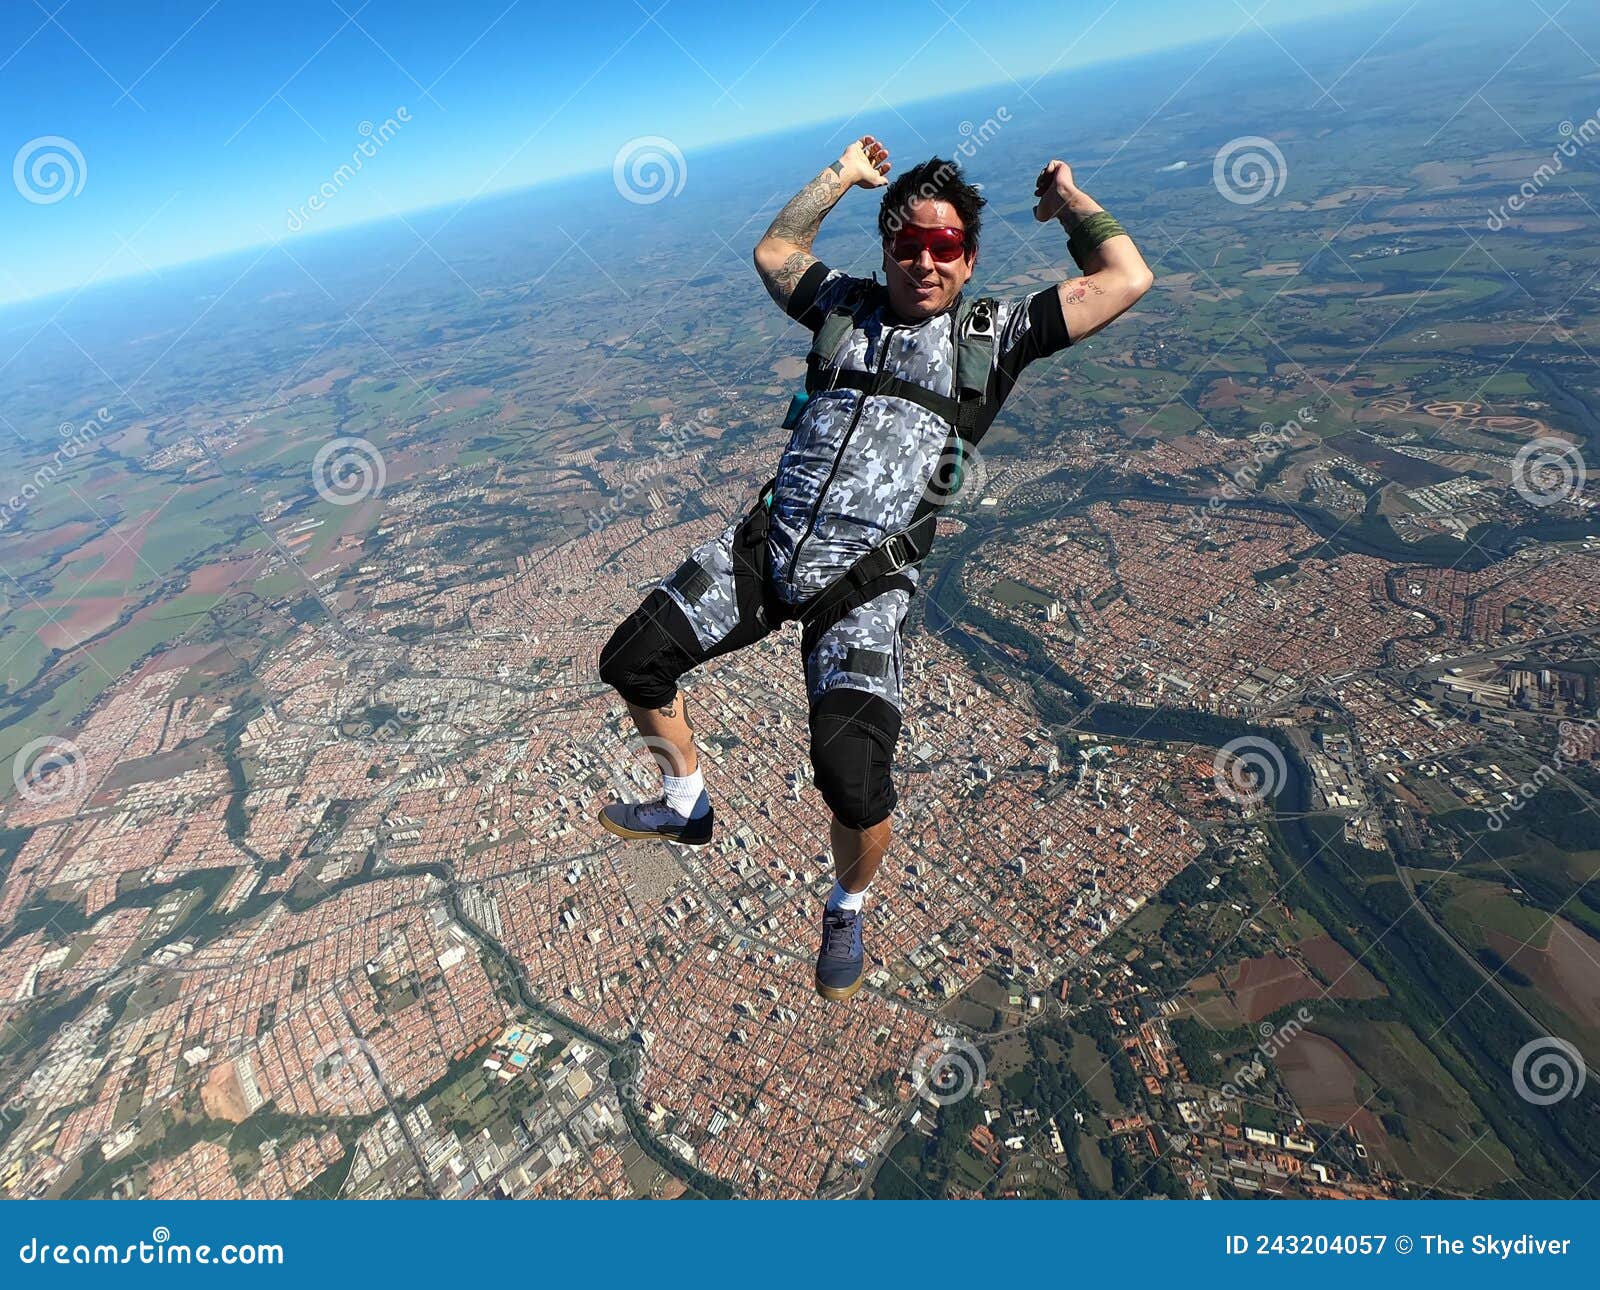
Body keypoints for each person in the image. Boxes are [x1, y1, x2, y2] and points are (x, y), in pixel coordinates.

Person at [597, 135, 1153, 1001]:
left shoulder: (992, 334)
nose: (925, 262)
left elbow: (1125, 277)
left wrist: (1070, 204)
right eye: (908, 244)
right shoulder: (844, 308)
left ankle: (847, 903)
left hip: (868, 579)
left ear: (969, 260)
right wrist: (841, 179)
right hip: (768, 545)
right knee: (632, 659)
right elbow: (777, 251)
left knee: (853, 779)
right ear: (888, 247)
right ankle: (685, 800)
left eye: (944, 248)